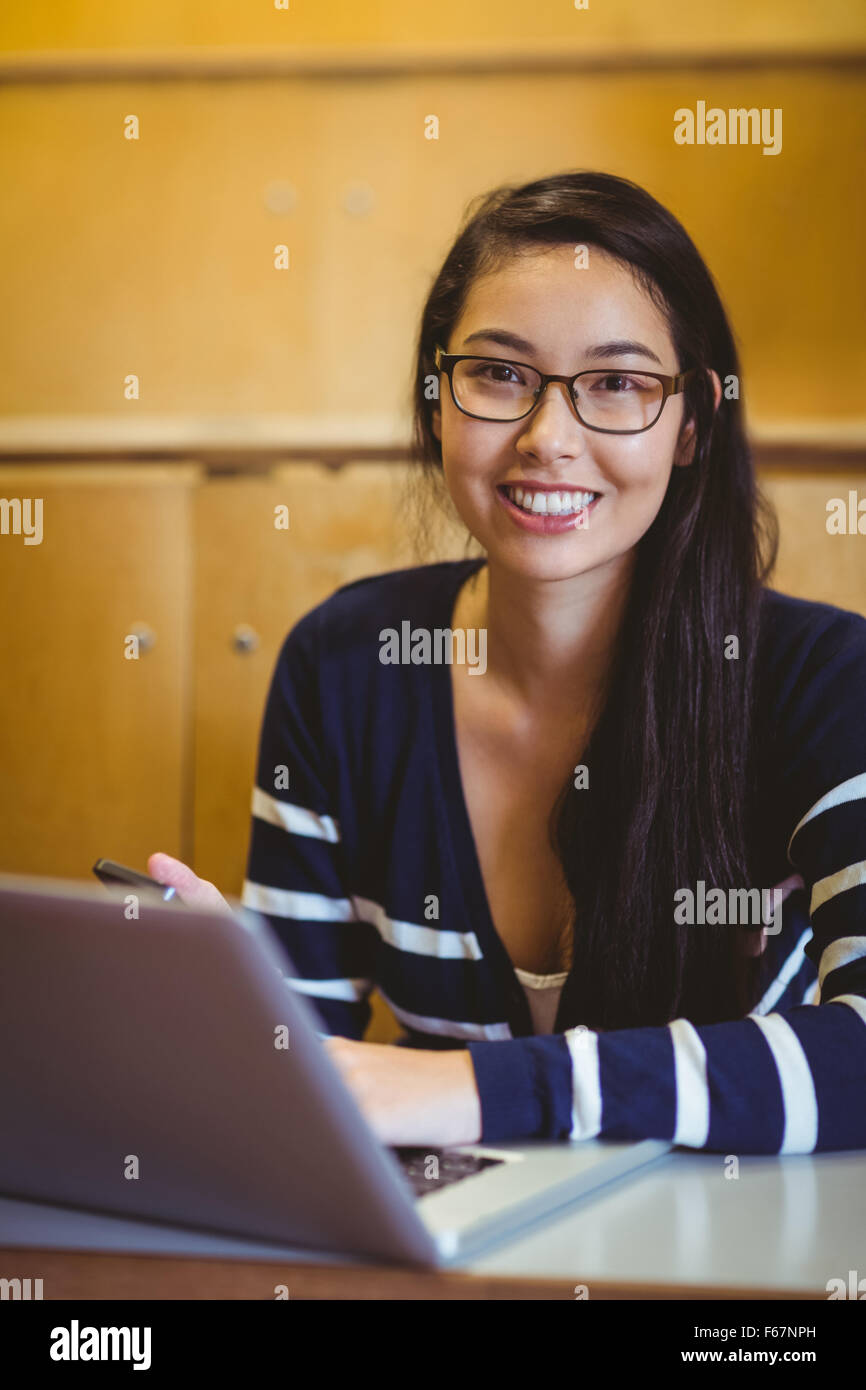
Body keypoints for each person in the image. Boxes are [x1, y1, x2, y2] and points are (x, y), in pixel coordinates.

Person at [149, 171, 866, 1153]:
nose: (547, 438)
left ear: (690, 422)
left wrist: (470, 1090)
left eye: (615, 383)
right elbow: (306, 1069)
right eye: (499, 374)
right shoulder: (342, 666)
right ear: (435, 399)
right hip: (438, 1259)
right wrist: (227, 1015)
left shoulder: (825, 681)